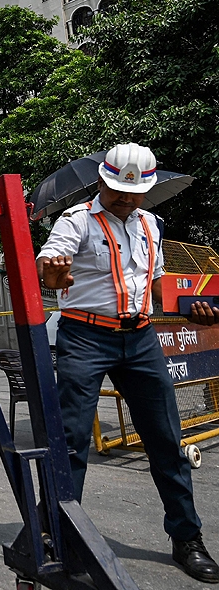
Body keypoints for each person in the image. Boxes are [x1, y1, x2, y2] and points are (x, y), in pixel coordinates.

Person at [37, 142, 219, 584]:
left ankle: (187, 539)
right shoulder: (76, 219)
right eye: (117, 188)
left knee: (165, 438)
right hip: (84, 335)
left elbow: (158, 288)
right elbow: (50, 263)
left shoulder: (152, 225)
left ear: (147, 189)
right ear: (101, 180)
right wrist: (55, 274)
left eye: (134, 191)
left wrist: (193, 305)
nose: (124, 197)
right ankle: (55, 536)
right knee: (72, 438)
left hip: (140, 338)